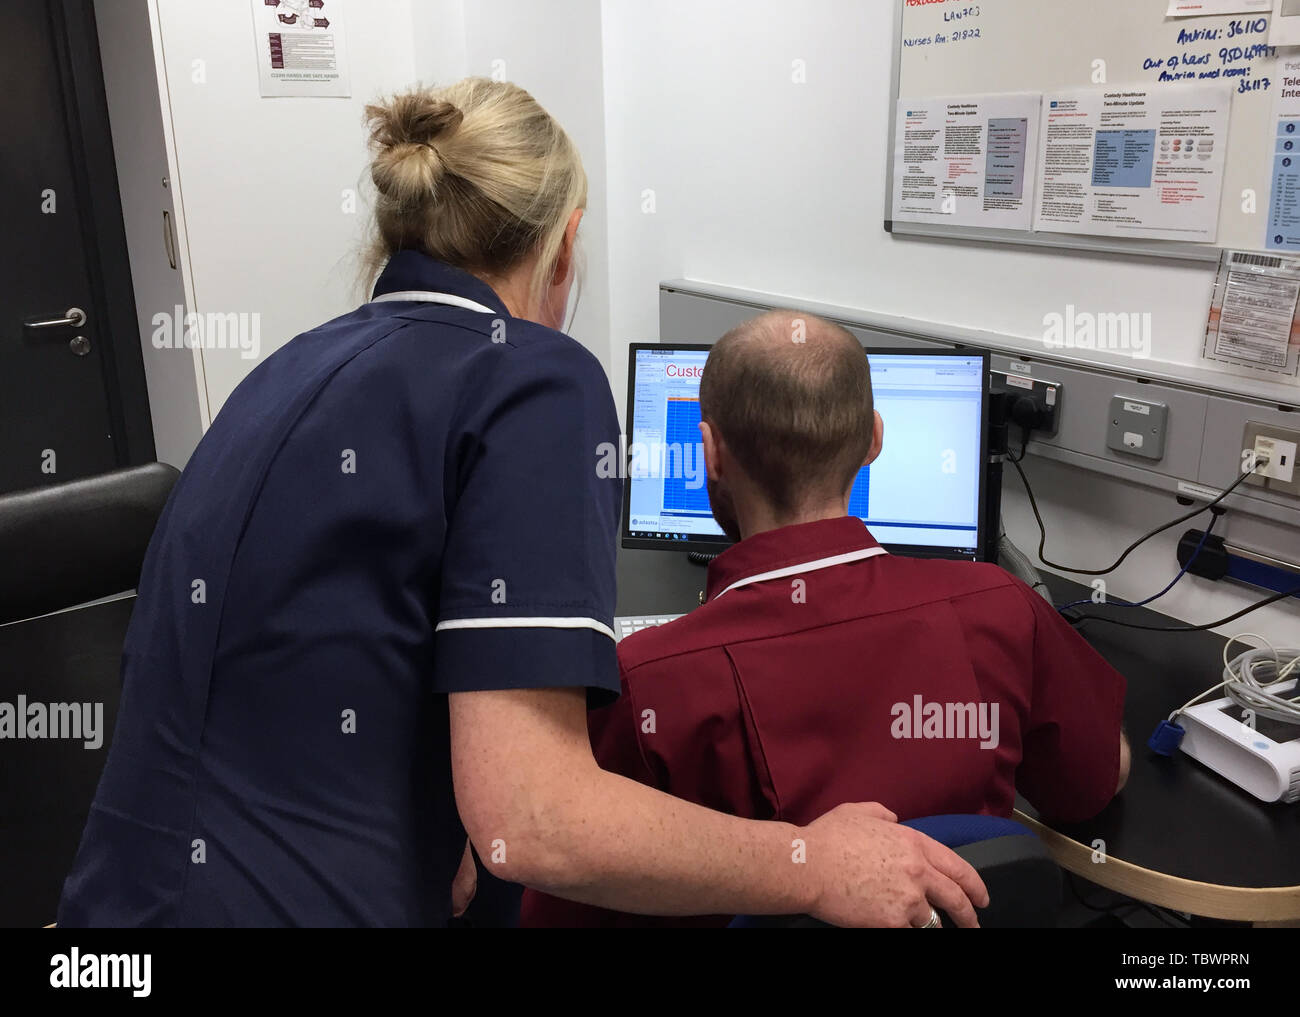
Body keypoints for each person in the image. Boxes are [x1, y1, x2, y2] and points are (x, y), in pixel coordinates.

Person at [57, 81, 987, 928]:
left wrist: (436, 804)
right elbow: (538, 823)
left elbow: (314, 668)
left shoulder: (287, 368)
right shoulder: (530, 377)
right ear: (565, 241)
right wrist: (812, 861)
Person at [521, 311, 1129, 928]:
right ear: (874, 439)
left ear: (709, 455)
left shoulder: (646, 680)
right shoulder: (1003, 606)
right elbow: (1090, 788)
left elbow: (566, 903)